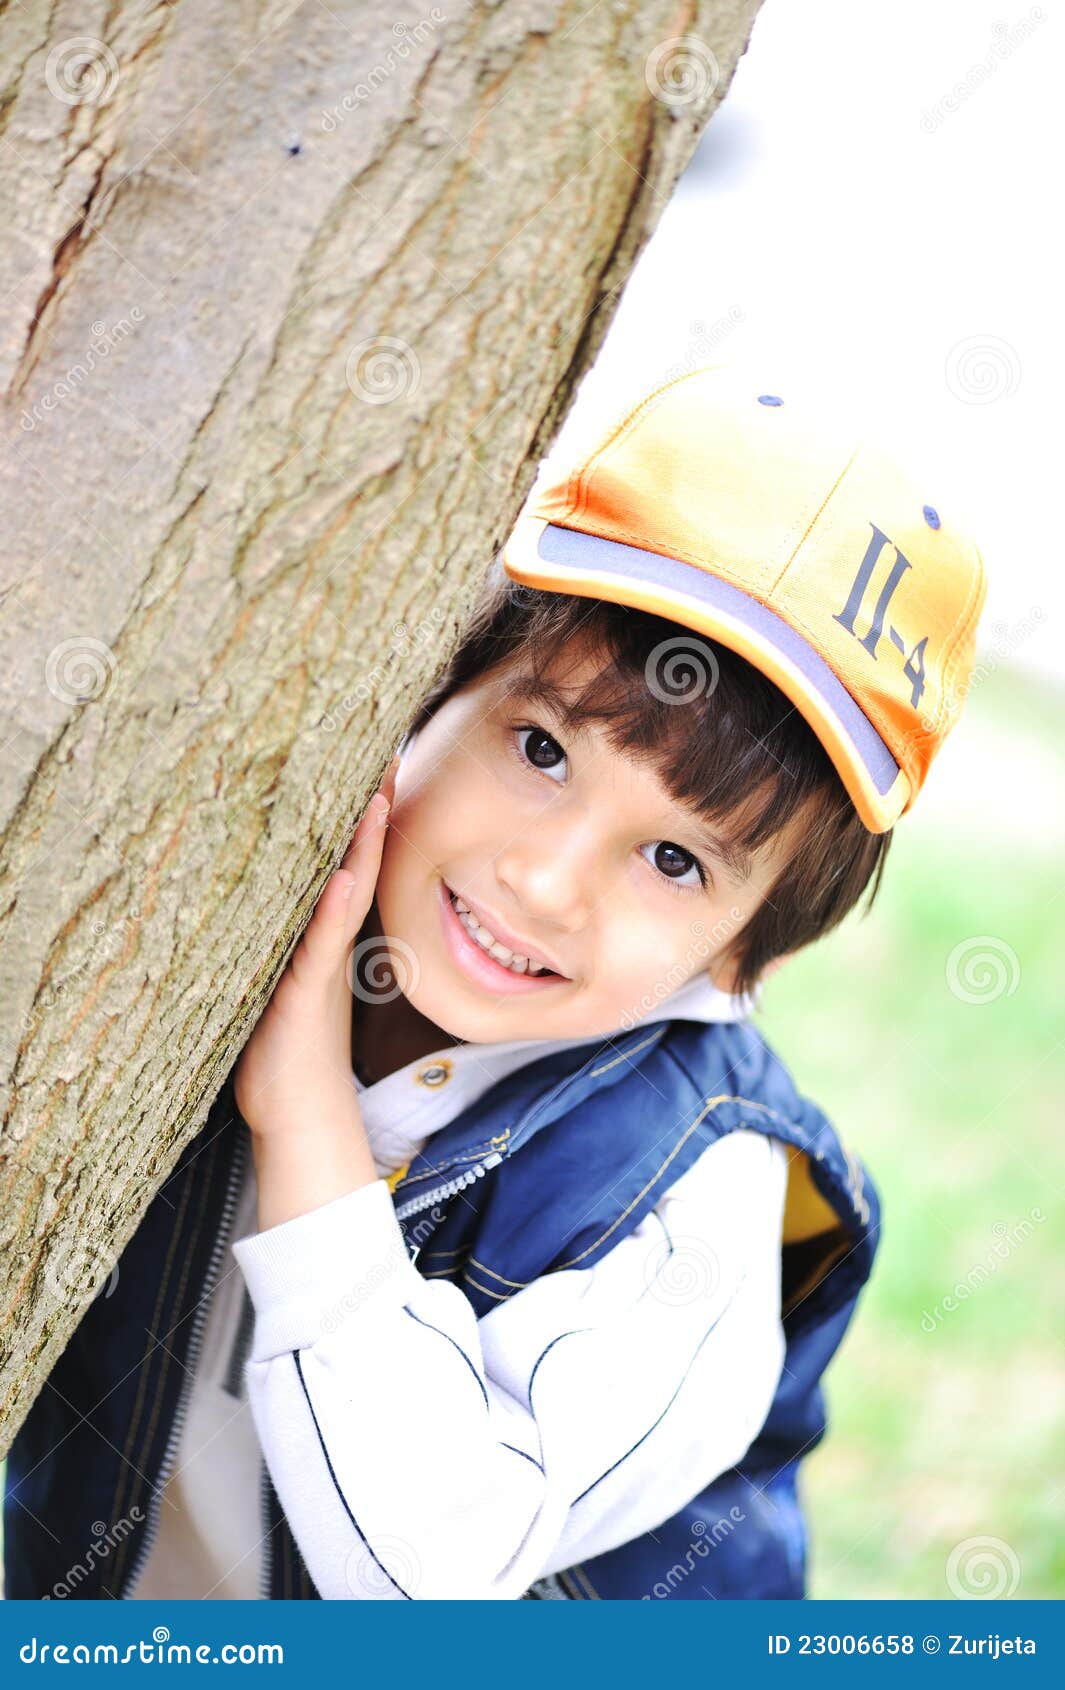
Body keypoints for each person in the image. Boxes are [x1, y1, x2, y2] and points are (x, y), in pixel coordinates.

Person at [3, 365, 987, 1601]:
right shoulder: (213, 912)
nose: (546, 880)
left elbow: (433, 1577)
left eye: (675, 859)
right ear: (428, 684)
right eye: (541, 748)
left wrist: (308, 1116)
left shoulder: (699, 1200)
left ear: (748, 956)